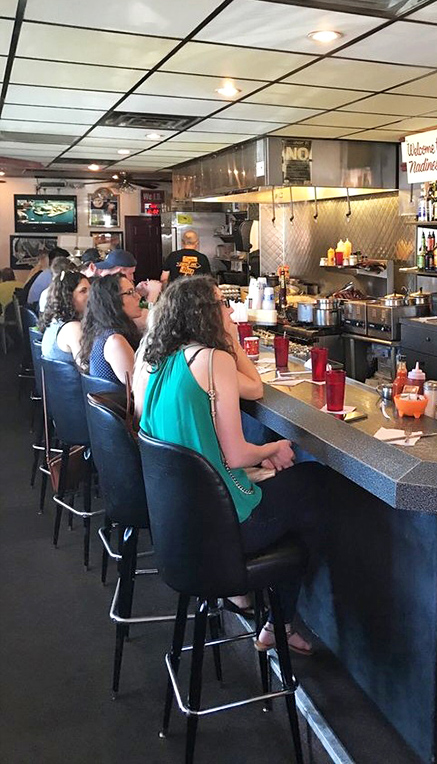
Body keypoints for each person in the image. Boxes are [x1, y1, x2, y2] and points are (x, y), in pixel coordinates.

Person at [136, 276, 325, 655]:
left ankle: (272, 613)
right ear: (205, 314)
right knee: (315, 487)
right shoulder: (213, 359)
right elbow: (236, 453)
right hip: (223, 529)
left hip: (180, 528)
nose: (228, 309)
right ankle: (280, 622)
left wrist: (262, 455)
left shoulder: (163, 361)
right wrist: (272, 447)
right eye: (222, 304)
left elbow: (219, 448)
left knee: (292, 492)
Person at [79, 274, 141, 385]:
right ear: (112, 301)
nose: (138, 297)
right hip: (124, 401)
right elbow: (141, 388)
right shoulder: (114, 341)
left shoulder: (102, 330)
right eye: (130, 292)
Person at [38, 270, 90, 362]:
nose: (91, 295)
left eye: (91, 290)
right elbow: (87, 369)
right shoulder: (73, 328)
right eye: (83, 291)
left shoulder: (55, 321)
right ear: (68, 297)